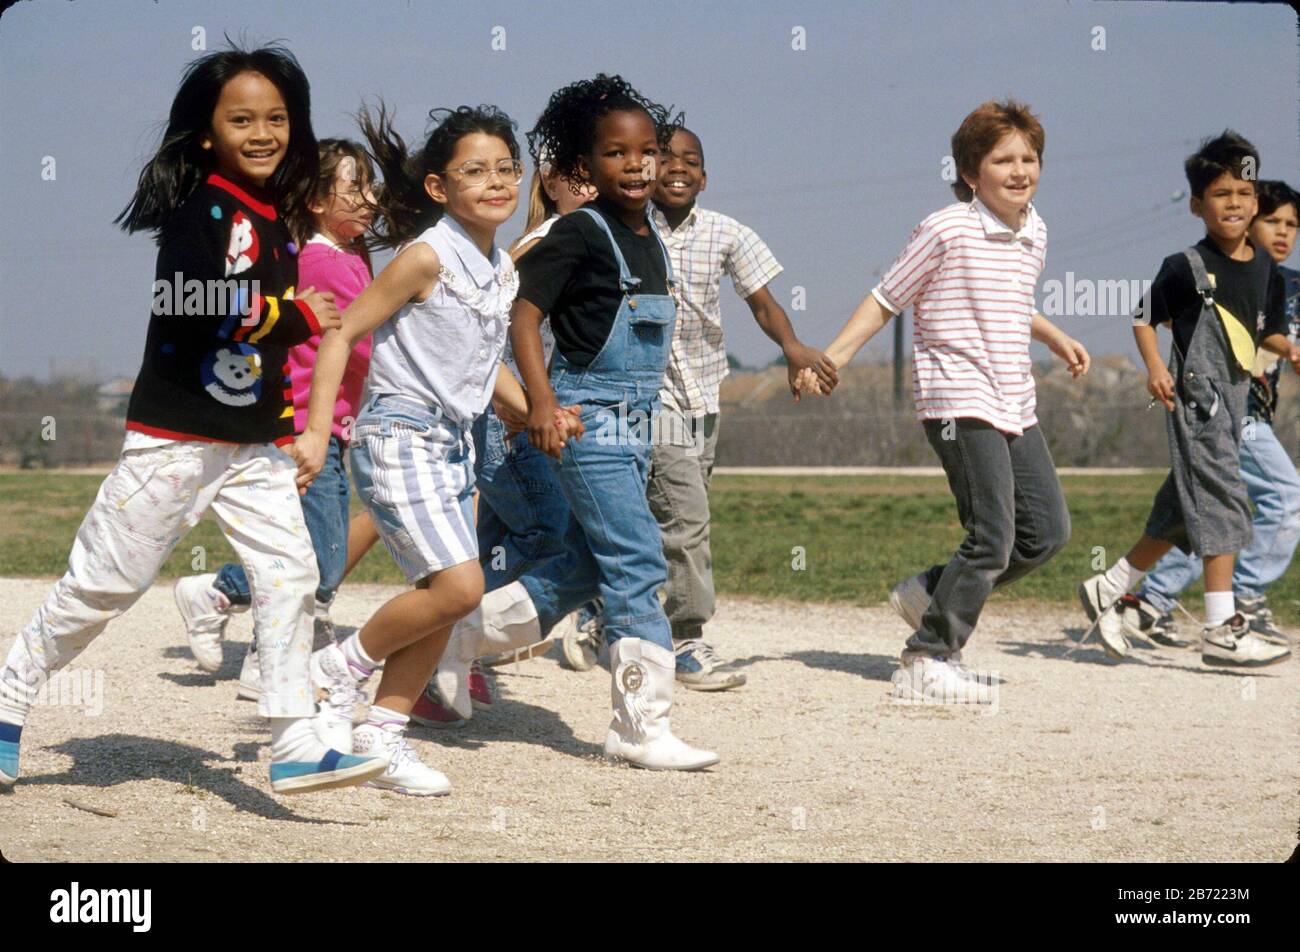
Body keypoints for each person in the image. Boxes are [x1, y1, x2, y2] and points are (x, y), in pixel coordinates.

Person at [0, 45, 387, 794]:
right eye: (241, 118)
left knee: (291, 573)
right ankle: (8, 701)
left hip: (254, 447)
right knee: (102, 591)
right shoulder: (201, 208)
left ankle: (293, 738)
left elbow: (266, 360)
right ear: (207, 133)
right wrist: (291, 314)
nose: (263, 131)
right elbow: (189, 303)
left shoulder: (276, 215)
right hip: (175, 436)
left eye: (276, 117)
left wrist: (294, 430)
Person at [294, 102, 580, 794]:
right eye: (473, 171)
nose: (495, 182)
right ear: (438, 188)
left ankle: (381, 737)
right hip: (398, 433)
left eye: (505, 169)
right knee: (461, 587)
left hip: (455, 445)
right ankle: (337, 668)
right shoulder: (425, 257)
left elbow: (485, 371)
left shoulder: (501, 273)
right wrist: (314, 427)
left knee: (444, 597)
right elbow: (341, 333)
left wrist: (539, 413)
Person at [446, 74, 718, 769]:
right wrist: (538, 403)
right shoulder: (578, 232)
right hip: (587, 423)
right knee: (637, 559)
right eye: (616, 155)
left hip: (639, 426)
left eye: (647, 152)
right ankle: (639, 725)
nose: (636, 166)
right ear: (585, 166)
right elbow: (524, 314)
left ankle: (453, 638)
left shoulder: (648, 238)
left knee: (585, 567)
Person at [798, 99, 1084, 703]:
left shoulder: (1035, 231)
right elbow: (886, 296)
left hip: (1015, 397)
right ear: (970, 172)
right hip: (958, 398)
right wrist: (834, 359)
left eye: (1029, 158)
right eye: (1001, 159)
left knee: (1048, 533)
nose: (1019, 170)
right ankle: (927, 658)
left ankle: (931, 592)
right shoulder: (946, 228)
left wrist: (1054, 333)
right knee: (992, 534)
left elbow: (1007, 300)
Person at [574, 125, 837, 690]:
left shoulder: (726, 233)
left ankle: (603, 611)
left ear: (704, 175)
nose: (675, 168)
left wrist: (792, 349)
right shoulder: (622, 226)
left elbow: (763, 303)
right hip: (644, 395)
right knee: (686, 519)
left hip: (703, 393)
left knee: (660, 516)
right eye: (662, 157)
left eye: (689, 161)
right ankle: (684, 635)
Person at [1079, 135, 1299, 667]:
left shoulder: (1264, 269)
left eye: (1244, 192)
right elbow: (1144, 316)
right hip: (1197, 398)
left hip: (1238, 396)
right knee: (1225, 500)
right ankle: (1222, 627)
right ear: (1198, 205)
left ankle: (1111, 584)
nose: (1234, 203)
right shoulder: (1185, 266)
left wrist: (1291, 348)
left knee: (1183, 508)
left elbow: (1258, 330)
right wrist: (1156, 368)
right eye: (1220, 193)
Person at [172, 138, 380, 695]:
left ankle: (244, 632)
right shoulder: (319, 260)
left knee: (310, 553)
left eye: (372, 188)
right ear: (315, 199)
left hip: (330, 427)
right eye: (354, 188)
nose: (369, 200)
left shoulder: (348, 256)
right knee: (323, 557)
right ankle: (229, 606)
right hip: (308, 430)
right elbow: (347, 341)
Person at [413, 161, 597, 727]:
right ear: (551, 179)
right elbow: (490, 338)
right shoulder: (551, 241)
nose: (592, 186)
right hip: (513, 418)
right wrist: (530, 406)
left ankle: (441, 661)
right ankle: (439, 639)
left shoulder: (595, 236)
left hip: (529, 413)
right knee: (548, 535)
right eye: (580, 173)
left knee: (491, 543)